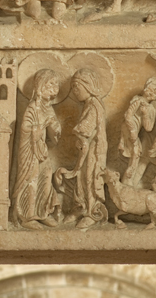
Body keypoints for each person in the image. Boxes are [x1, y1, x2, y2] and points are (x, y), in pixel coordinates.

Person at [59, 68, 108, 229]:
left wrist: (78, 134)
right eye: (72, 88)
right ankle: (80, 207)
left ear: (88, 87)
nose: (74, 92)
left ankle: (92, 212)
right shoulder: (88, 104)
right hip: (87, 149)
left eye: (76, 88)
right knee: (81, 177)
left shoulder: (94, 105)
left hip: (95, 150)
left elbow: (85, 129)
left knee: (90, 177)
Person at [12, 69, 62, 229]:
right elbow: (26, 129)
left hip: (42, 150)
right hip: (30, 152)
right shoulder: (32, 107)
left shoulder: (48, 108)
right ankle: (27, 216)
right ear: (40, 87)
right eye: (50, 85)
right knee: (31, 179)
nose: (54, 89)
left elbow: (54, 134)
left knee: (46, 176)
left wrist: (55, 128)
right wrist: (41, 125)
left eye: (56, 85)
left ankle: (43, 212)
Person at [118, 77, 156, 183]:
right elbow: (128, 115)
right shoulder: (138, 101)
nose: (153, 93)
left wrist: (145, 114)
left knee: (136, 153)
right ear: (146, 89)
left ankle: (127, 179)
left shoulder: (150, 109)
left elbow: (148, 127)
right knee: (136, 152)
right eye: (152, 89)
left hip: (133, 131)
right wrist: (132, 131)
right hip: (128, 128)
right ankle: (127, 180)